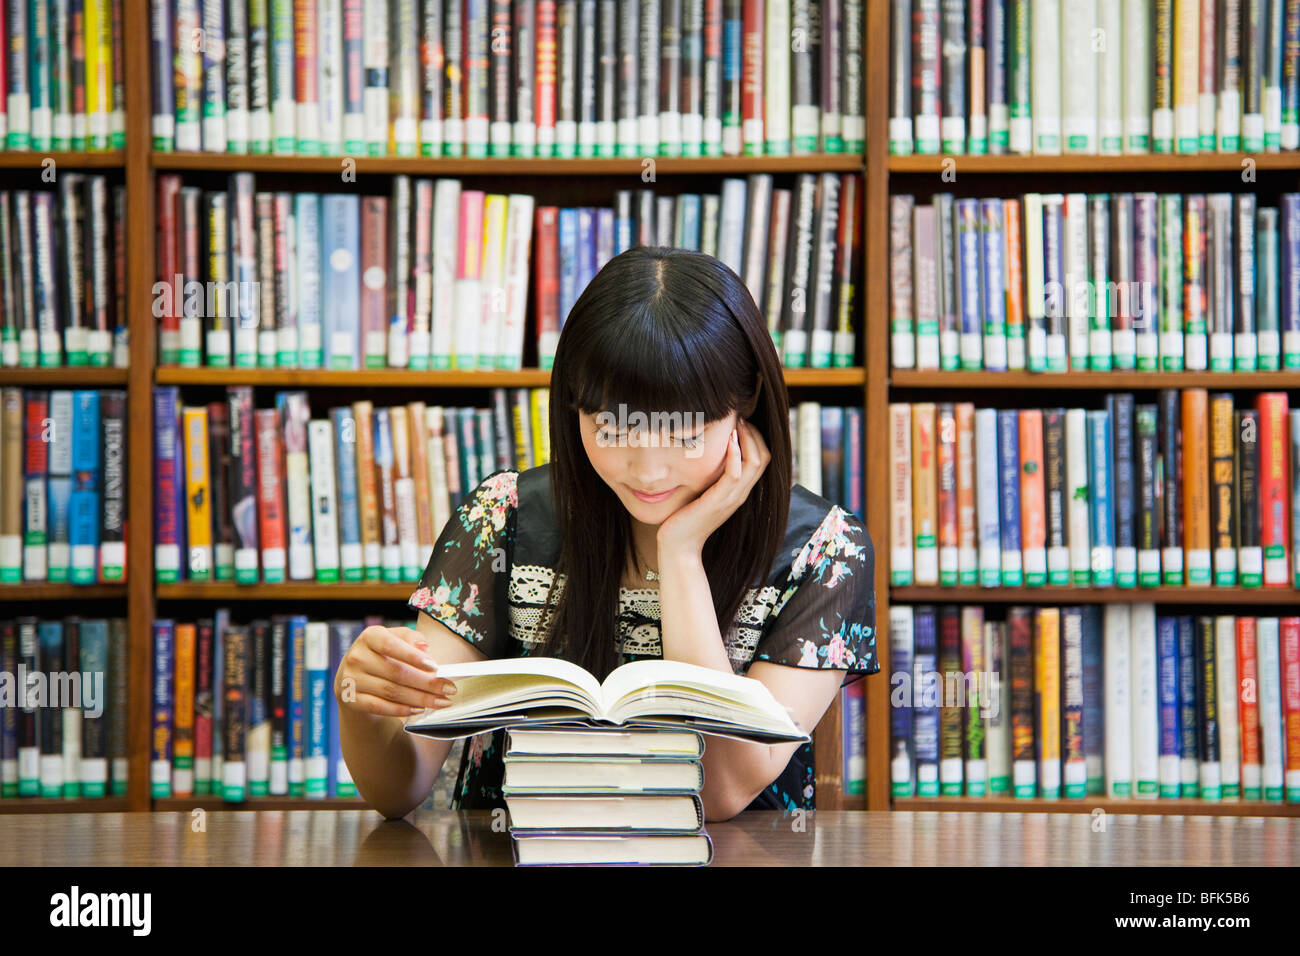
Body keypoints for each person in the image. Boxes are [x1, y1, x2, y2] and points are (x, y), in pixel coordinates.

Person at [335, 245, 879, 821]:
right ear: (573, 406)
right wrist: (360, 701)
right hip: (518, 855)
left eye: (684, 431)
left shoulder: (825, 551)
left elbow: (716, 793)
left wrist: (681, 552)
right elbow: (398, 789)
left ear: (743, 406)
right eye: (611, 426)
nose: (648, 470)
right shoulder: (501, 519)